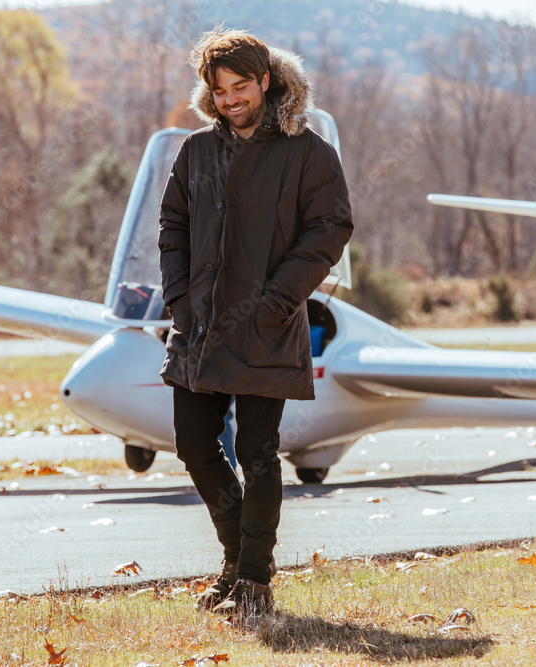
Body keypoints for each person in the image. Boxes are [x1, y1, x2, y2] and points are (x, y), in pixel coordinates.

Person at [157, 27, 353, 618]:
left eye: (241, 86)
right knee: (194, 444)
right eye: (219, 91)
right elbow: (173, 224)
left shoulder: (308, 150)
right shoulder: (196, 151)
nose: (231, 99)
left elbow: (331, 229)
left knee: (258, 452)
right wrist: (179, 298)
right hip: (199, 325)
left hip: (269, 324)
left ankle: (252, 583)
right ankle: (239, 563)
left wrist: (277, 301)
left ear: (266, 81)